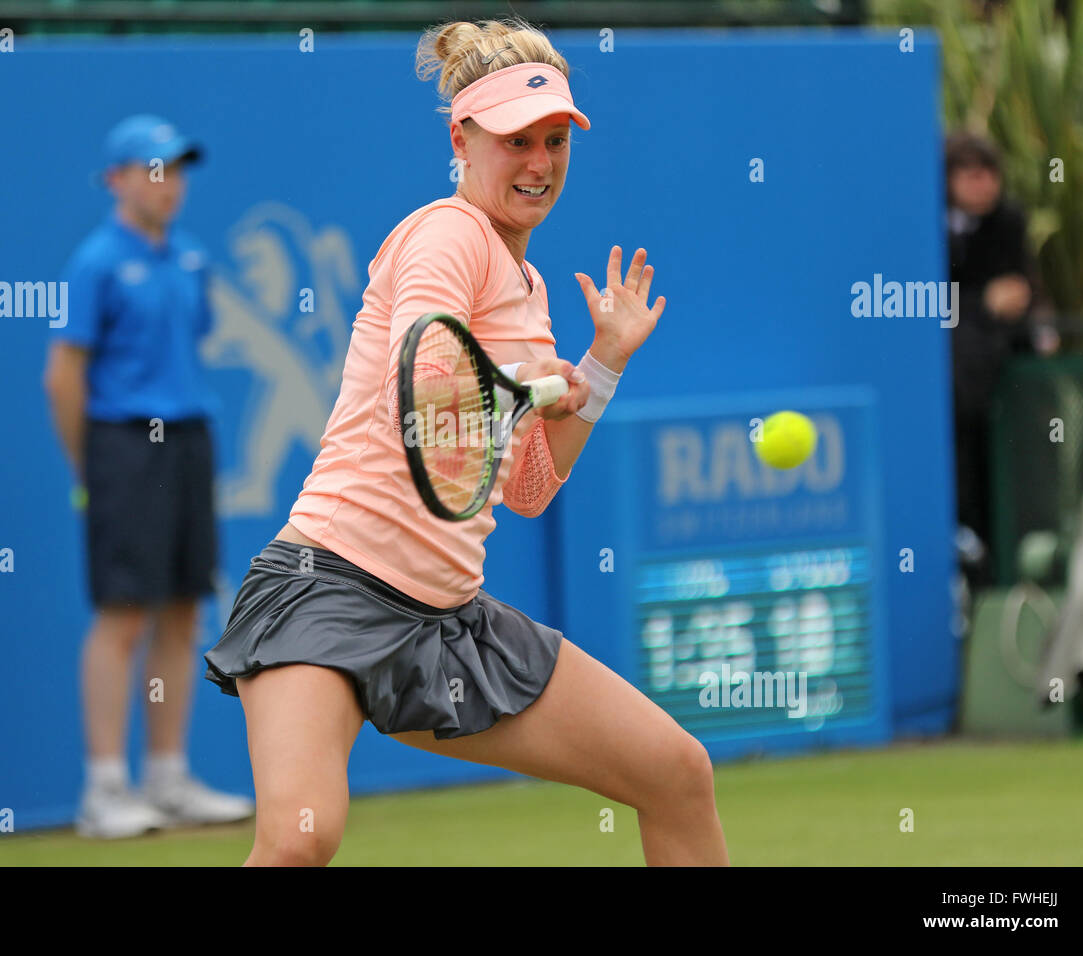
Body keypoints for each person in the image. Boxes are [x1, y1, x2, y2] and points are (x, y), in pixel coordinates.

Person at [202, 18, 729, 866]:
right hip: (325, 589)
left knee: (676, 771)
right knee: (301, 839)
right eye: (517, 140)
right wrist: (529, 387)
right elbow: (426, 365)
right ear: (462, 138)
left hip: (445, 619)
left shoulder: (529, 289)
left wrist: (600, 368)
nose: (539, 162)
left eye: (555, 140)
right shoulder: (446, 234)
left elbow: (523, 487)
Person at [44, 114, 255, 838]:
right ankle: (104, 789)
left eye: (179, 170)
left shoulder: (192, 260)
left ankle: (167, 778)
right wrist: (91, 468)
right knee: (123, 614)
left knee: (183, 607)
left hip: (190, 437)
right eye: (155, 169)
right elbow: (63, 375)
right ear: (118, 179)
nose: (171, 185)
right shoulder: (96, 261)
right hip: (122, 447)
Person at [946, 131, 1037, 588]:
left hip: (1006, 391)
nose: (983, 185)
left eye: (990, 175)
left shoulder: (1010, 221)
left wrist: (1027, 305)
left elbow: (1028, 287)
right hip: (957, 394)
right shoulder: (923, 225)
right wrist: (982, 303)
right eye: (970, 174)